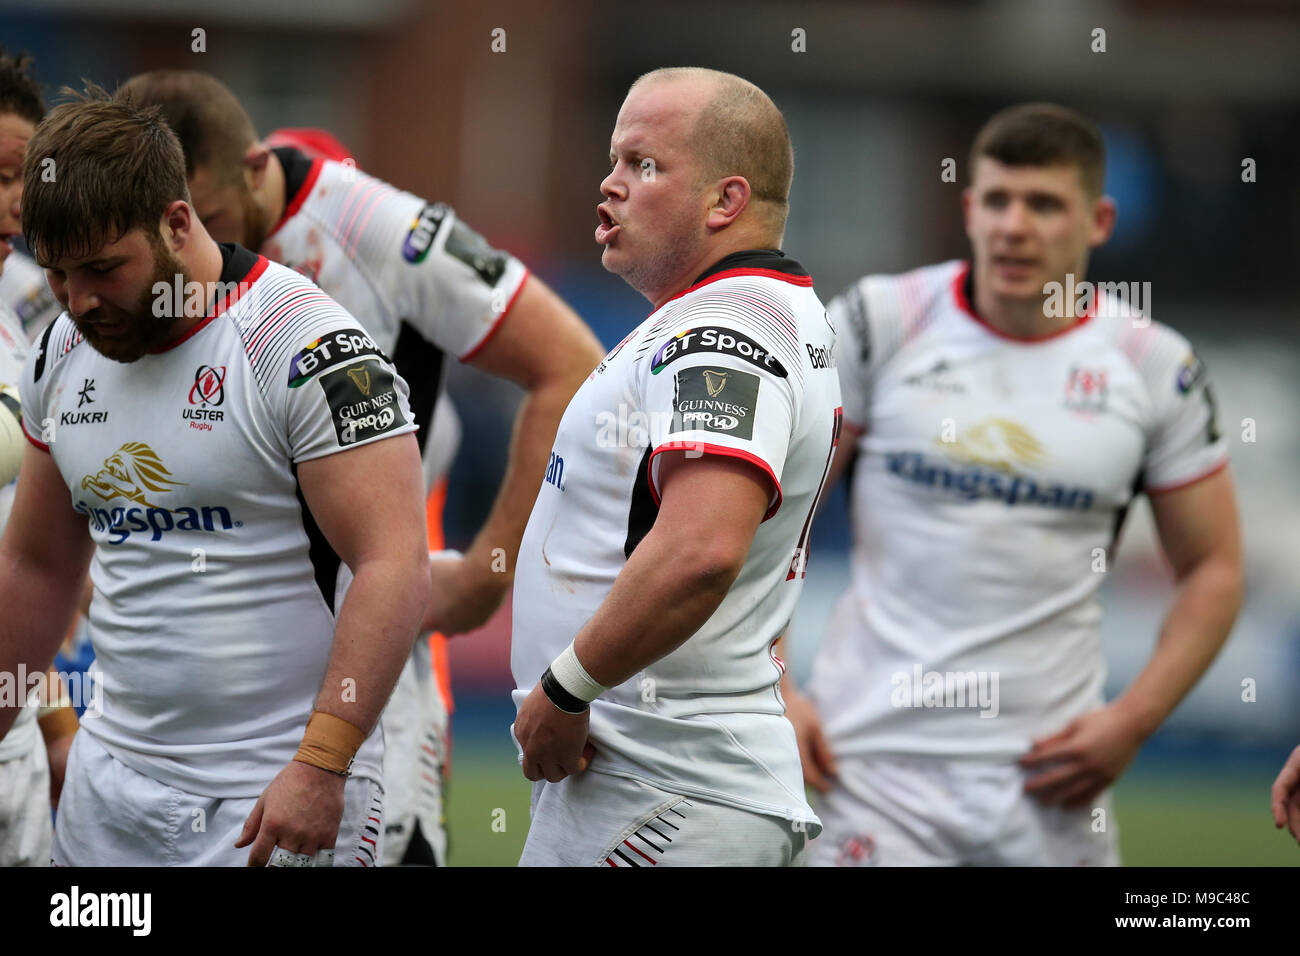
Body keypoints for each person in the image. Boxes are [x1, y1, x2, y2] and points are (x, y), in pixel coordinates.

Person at [115, 70, 604, 864]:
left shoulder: (377, 226)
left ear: (254, 165)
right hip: (199, 678)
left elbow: (572, 363)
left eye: (204, 219)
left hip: (366, 660)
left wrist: (487, 571)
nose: (191, 250)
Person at [783, 103, 1244, 866]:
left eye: (1044, 204)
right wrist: (776, 688)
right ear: (969, 210)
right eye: (996, 201)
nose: (1014, 226)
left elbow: (1216, 570)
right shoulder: (880, 322)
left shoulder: (1154, 365)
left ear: (1098, 221)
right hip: (866, 770)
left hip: (1050, 787)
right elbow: (772, 520)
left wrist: (1133, 720)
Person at [0, 86, 431, 866]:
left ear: (176, 221)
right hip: (108, 792)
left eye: (103, 268)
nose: (79, 301)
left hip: (274, 797)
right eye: (59, 275)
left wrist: (322, 762)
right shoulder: (58, 351)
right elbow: (37, 565)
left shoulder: (308, 348)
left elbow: (393, 562)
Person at [511, 67, 842, 866]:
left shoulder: (727, 327)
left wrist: (565, 688)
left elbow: (702, 550)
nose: (609, 183)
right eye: (613, 159)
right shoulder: (730, 314)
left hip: (668, 791)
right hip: (660, 783)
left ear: (725, 202)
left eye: (642, 164)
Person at [0, 46, 79, 867]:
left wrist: (54, 723)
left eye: (25, 181)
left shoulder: (20, 322)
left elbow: (21, 564)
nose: (17, 208)